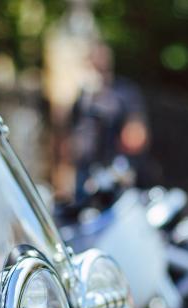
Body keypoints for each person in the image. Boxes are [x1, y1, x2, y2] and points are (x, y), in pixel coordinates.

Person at [69, 42, 149, 200]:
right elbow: (73, 129)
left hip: (114, 168)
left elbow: (136, 136)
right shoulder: (83, 96)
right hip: (85, 167)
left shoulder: (123, 93)